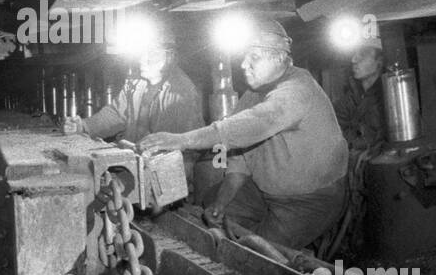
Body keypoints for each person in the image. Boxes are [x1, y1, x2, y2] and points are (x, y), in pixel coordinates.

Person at [140, 18, 349, 252]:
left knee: (259, 256)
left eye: (254, 57)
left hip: (308, 201)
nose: (243, 64)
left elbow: (249, 125)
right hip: (265, 192)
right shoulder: (254, 94)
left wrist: (182, 140)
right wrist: (220, 203)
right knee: (208, 202)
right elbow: (238, 158)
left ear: (280, 58)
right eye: (244, 56)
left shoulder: (297, 89)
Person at [64, 22, 204, 146]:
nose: (142, 60)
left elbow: (174, 145)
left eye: (152, 54)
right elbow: (115, 115)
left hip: (167, 167)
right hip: (137, 157)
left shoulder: (181, 92)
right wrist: (83, 126)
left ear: (169, 57)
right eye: (141, 53)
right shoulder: (137, 83)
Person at [333, 38, 386, 155]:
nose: (354, 60)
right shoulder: (348, 100)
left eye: (363, 54)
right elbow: (333, 134)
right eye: (354, 54)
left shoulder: (390, 98)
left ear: (379, 61)